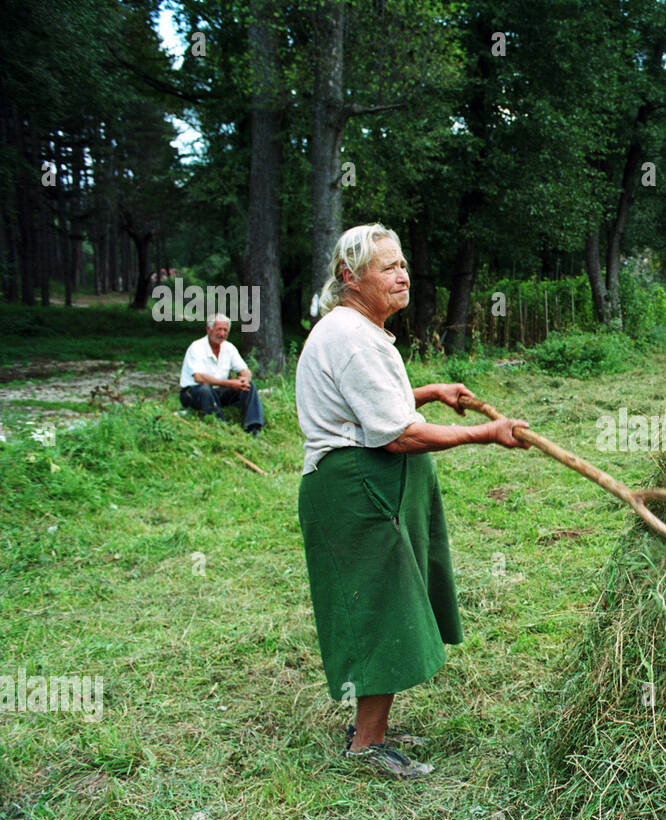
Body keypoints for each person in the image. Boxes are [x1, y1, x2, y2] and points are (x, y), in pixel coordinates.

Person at [296, 223, 531, 778]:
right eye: (388, 267)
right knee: (378, 607)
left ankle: (370, 728)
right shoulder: (351, 336)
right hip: (357, 488)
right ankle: (366, 748)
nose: (402, 275)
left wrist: (428, 392)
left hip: (372, 481)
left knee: (391, 599)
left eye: (403, 265)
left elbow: (370, 400)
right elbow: (396, 434)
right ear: (351, 278)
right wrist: (486, 435)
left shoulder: (359, 330)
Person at [179, 314, 265, 435]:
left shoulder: (229, 348)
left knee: (249, 386)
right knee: (205, 389)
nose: (222, 333)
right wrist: (230, 383)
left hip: (217, 391)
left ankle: (253, 427)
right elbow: (199, 377)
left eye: (225, 330)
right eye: (219, 329)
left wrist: (244, 380)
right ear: (208, 329)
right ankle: (221, 426)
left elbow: (245, 370)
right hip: (192, 393)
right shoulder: (197, 347)